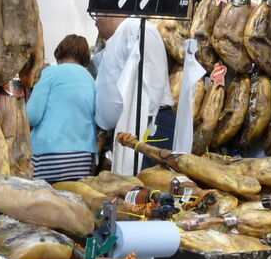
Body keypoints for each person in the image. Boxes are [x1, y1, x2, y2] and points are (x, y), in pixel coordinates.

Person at [93, 15, 171, 174]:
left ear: (109, 14)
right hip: (130, 127)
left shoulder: (138, 28)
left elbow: (154, 74)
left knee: (149, 185)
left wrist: (148, 120)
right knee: (131, 187)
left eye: (97, 17)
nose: (95, 23)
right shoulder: (117, 38)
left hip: (149, 124)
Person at [26, 34, 98, 182]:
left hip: (47, 154)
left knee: (43, 202)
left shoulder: (49, 73)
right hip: (82, 158)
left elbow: (32, 115)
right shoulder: (91, 79)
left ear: (60, 52)